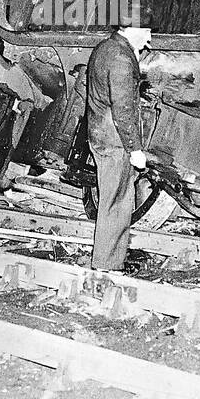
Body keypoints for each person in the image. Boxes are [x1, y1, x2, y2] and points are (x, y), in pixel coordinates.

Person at [84, 24, 152, 271]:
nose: (149, 38)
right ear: (131, 29)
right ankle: (107, 265)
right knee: (117, 203)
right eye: (146, 31)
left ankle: (111, 257)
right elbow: (122, 110)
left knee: (113, 198)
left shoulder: (105, 47)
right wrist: (135, 149)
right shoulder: (121, 58)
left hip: (101, 132)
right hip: (115, 141)